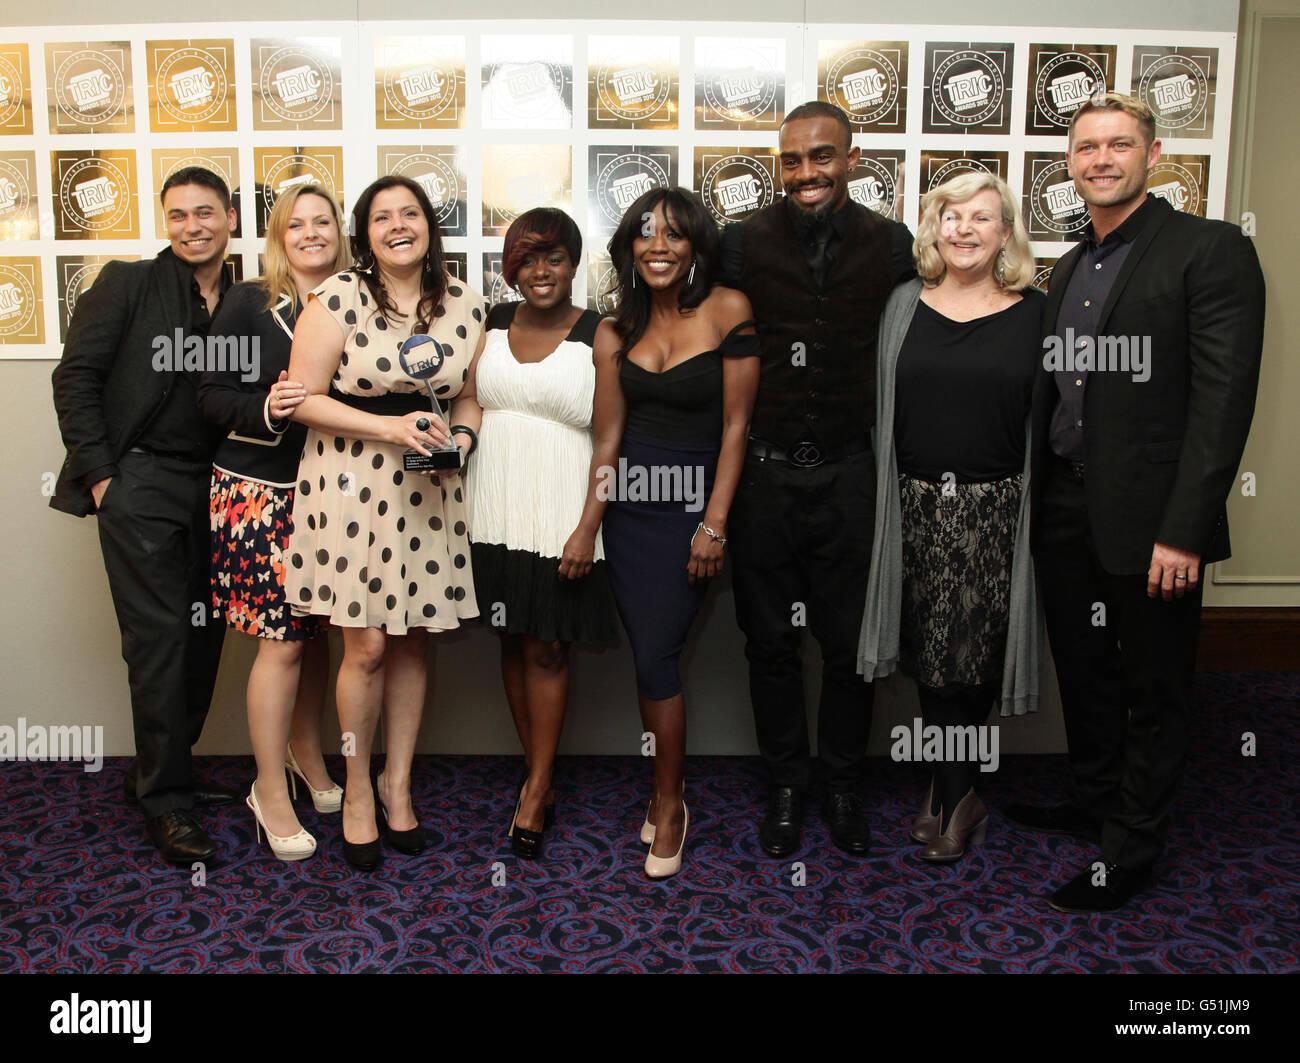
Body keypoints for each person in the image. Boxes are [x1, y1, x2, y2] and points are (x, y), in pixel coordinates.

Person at [1008, 93, 1265, 912]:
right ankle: (1094, 800)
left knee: (1152, 684)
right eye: (1087, 147)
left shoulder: (1209, 249)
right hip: (1066, 508)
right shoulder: (1072, 262)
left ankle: (1131, 849)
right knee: (1083, 673)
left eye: (1120, 144)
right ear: (1071, 163)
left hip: (1155, 523)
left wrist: (1185, 531)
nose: (1102, 159)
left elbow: (1223, 402)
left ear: (1154, 156)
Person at [719, 101, 914, 857]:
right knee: (768, 643)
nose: (807, 173)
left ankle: (840, 782)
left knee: (847, 645)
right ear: (779, 164)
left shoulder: (892, 243)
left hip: (853, 475)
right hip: (765, 475)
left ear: (853, 159)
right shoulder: (740, 243)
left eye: (822, 157)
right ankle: (786, 785)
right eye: (793, 160)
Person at [283, 174, 485, 871]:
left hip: (428, 494)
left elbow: (470, 399)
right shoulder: (338, 296)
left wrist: (463, 440)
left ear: (430, 224)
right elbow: (300, 399)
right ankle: (360, 785)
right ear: (364, 233)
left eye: (410, 214)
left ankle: (400, 786)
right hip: (349, 485)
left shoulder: (467, 303)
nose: (398, 225)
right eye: (381, 217)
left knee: (413, 643)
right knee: (364, 646)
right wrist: (389, 428)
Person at [50, 166, 238, 865]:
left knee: (205, 633)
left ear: (229, 220)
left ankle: (163, 772)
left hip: (218, 488)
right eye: (180, 214)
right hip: (141, 482)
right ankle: (166, 803)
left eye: (206, 212)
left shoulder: (247, 299)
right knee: (159, 639)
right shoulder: (127, 283)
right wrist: (102, 477)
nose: (193, 224)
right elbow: (75, 377)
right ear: (166, 221)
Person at [858, 173, 1043, 861]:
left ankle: (954, 792)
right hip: (914, 506)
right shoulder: (904, 305)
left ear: (1005, 233)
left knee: (975, 661)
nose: (964, 229)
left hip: (999, 512)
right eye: (951, 216)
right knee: (931, 660)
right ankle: (952, 788)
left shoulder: (1035, 313)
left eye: (981, 218)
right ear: (933, 229)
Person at [598, 187, 758, 878]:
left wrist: (714, 525)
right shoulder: (616, 328)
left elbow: (736, 428)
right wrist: (587, 526)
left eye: (672, 234)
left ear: (695, 244)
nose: (657, 245)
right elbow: (608, 438)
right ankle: (666, 790)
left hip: (693, 512)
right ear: (629, 247)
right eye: (644, 233)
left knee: (660, 655)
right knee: (648, 655)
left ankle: (669, 802)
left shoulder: (728, 310)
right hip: (630, 513)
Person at [451, 207, 619, 860]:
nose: (541, 270)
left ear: (575, 264)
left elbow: (609, 439)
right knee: (513, 637)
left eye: (554, 257)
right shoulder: (489, 323)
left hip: (561, 510)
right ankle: (537, 775)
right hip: (491, 504)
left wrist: (588, 527)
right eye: (528, 258)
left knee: (549, 646)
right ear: (509, 267)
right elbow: (469, 399)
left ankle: (538, 785)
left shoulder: (601, 332)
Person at [198, 183, 352, 861]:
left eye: (323, 222)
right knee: (282, 641)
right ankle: (267, 787)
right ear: (279, 235)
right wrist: (267, 404)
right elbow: (207, 395)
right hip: (258, 490)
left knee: (317, 635)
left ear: (339, 231)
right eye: (298, 224)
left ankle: (307, 757)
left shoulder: (358, 299)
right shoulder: (246, 302)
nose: (311, 233)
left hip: (332, 488)